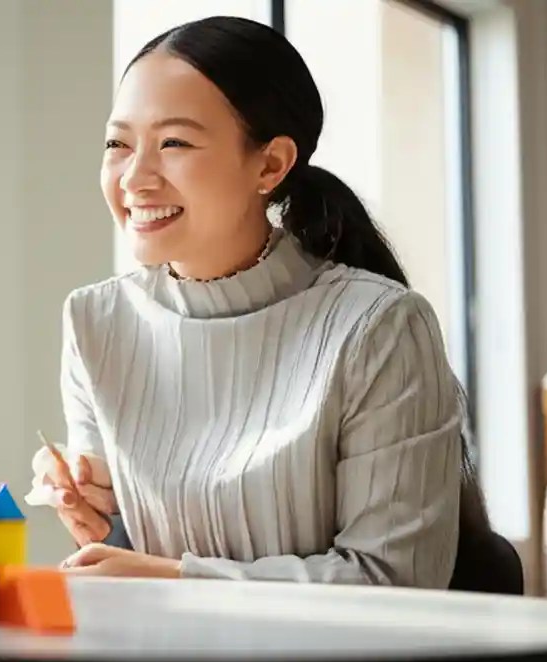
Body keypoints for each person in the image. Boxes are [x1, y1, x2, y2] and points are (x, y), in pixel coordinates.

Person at [28, 16, 490, 588]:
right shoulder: (95, 322)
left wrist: (176, 580)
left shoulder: (379, 326)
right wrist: (95, 503)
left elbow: (393, 580)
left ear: (270, 165)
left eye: (173, 143)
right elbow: (124, 549)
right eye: (118, 143)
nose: (134, 178)